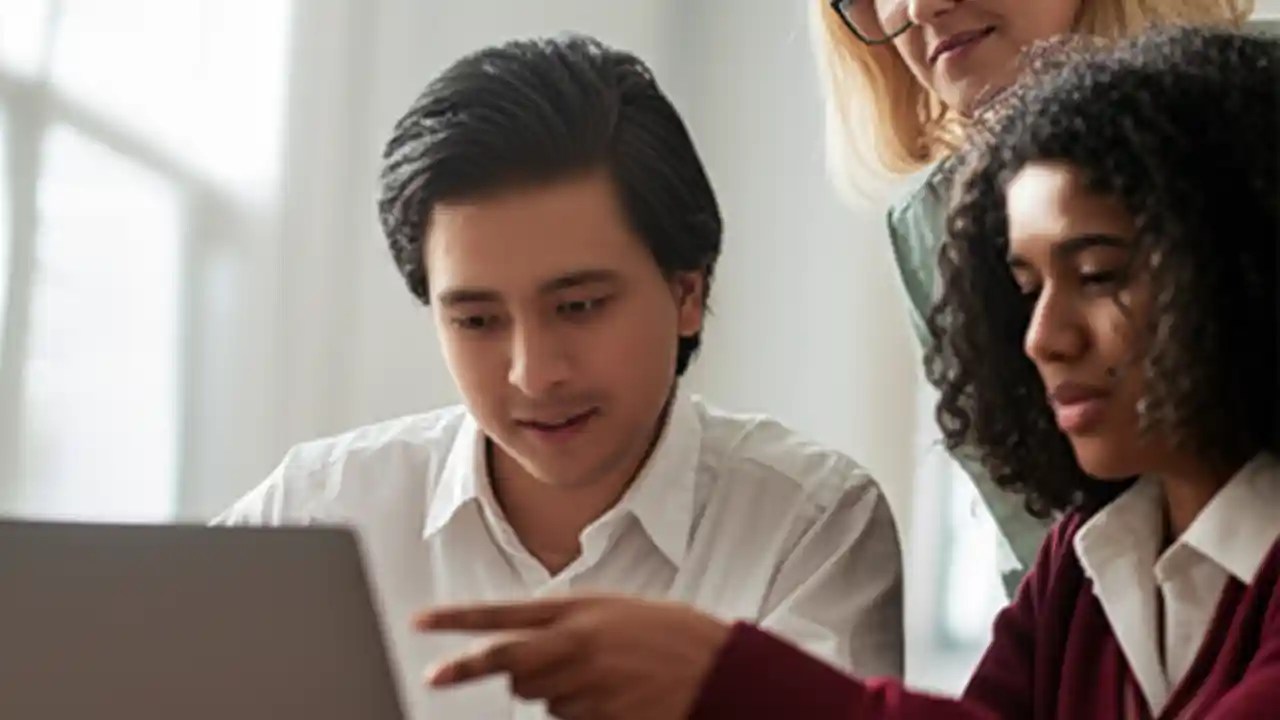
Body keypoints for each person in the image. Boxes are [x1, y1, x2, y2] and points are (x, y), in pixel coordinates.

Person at [415, 25, 1280, 719]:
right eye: (1023, 288)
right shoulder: (1080, 565)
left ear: (1243, 266)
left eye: (1098, 275)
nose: (1042, 337)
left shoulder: (816, 518)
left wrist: (728, 677)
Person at [215, 34, 903, 718]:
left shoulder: (810, 526)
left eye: (578, 307)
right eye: (478, 321)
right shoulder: (314, 513)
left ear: (687, 293)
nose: (534, 374)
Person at [816, 0, 1253, 590]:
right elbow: (1057, 580)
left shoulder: (1260, 100)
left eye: (1098, 272)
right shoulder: (935, 226)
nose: (919, 9)